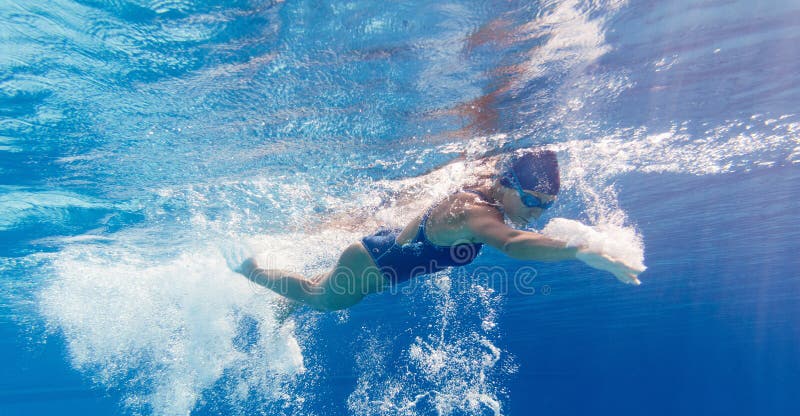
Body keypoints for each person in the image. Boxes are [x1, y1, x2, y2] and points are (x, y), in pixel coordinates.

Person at [236, 150, 643, 311]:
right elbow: (514, 243)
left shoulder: (487, 187)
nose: (536, 214)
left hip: (375, 252)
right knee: (322, 299)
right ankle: (248, 268)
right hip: (370, 266)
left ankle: (280, 301)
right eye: (533, 201)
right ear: (507, 186)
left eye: (547, 206)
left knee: (316, 289)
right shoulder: (478, 214)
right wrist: (577, 251)